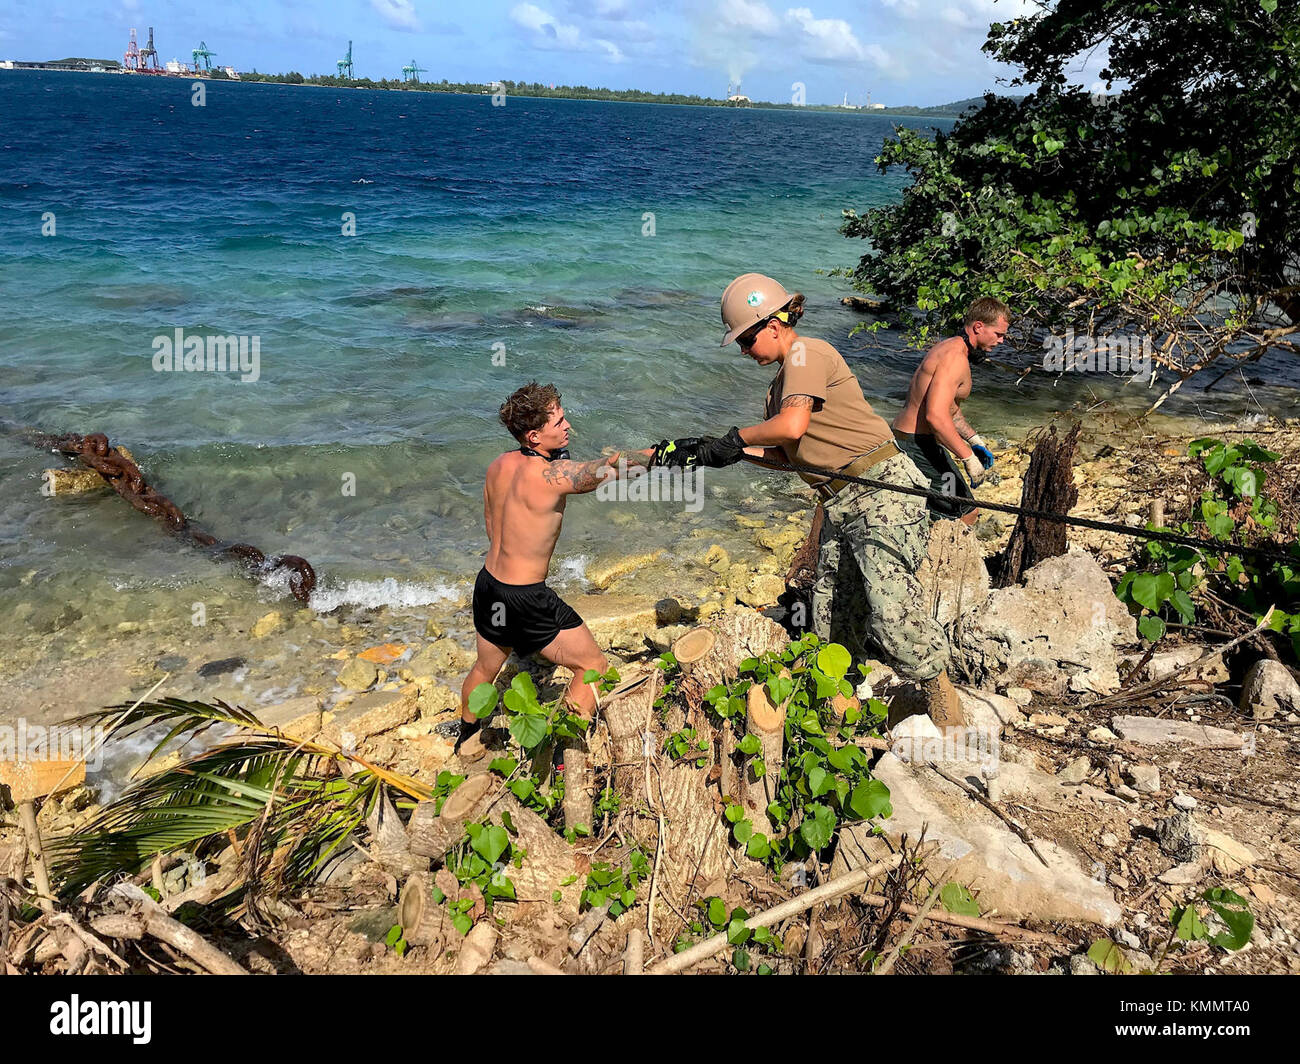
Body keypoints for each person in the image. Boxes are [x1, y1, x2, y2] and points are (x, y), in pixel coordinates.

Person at [661, 273, 964, 728]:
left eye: (746, 339)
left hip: (881, 490)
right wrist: (722, 452)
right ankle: (840, 712)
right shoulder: (779, 386)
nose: (744, 351)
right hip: (840, 501)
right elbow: (789, 455)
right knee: (831, 611)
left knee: (889, 604)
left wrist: (734, 437)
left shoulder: (807, 352)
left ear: (775, 323)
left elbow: (792, 427)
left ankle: (943, 701)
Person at [455, 382, 666, 752]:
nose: (568, 426)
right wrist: (663, 453)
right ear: (535, 435)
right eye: (560, 421)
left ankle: (465, 743)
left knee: (484, 670)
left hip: (489, 585)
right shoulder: (552, 478)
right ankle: (565, 756)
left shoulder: (498, 465)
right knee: (593, 666)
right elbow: (609, 469)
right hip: (527, 597)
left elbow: (492, 527)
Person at [891, 297, 1010, 526]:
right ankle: (939, 560)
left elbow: (951, 411)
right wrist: (967, 458)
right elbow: (935, 416)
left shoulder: (951, 346)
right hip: (917, 445)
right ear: (978, 327)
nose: (1002, 341)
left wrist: (974, 440)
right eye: (998, 334)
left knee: (942, 505)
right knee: (964, 512)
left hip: (913, 440)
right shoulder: (955, 359)